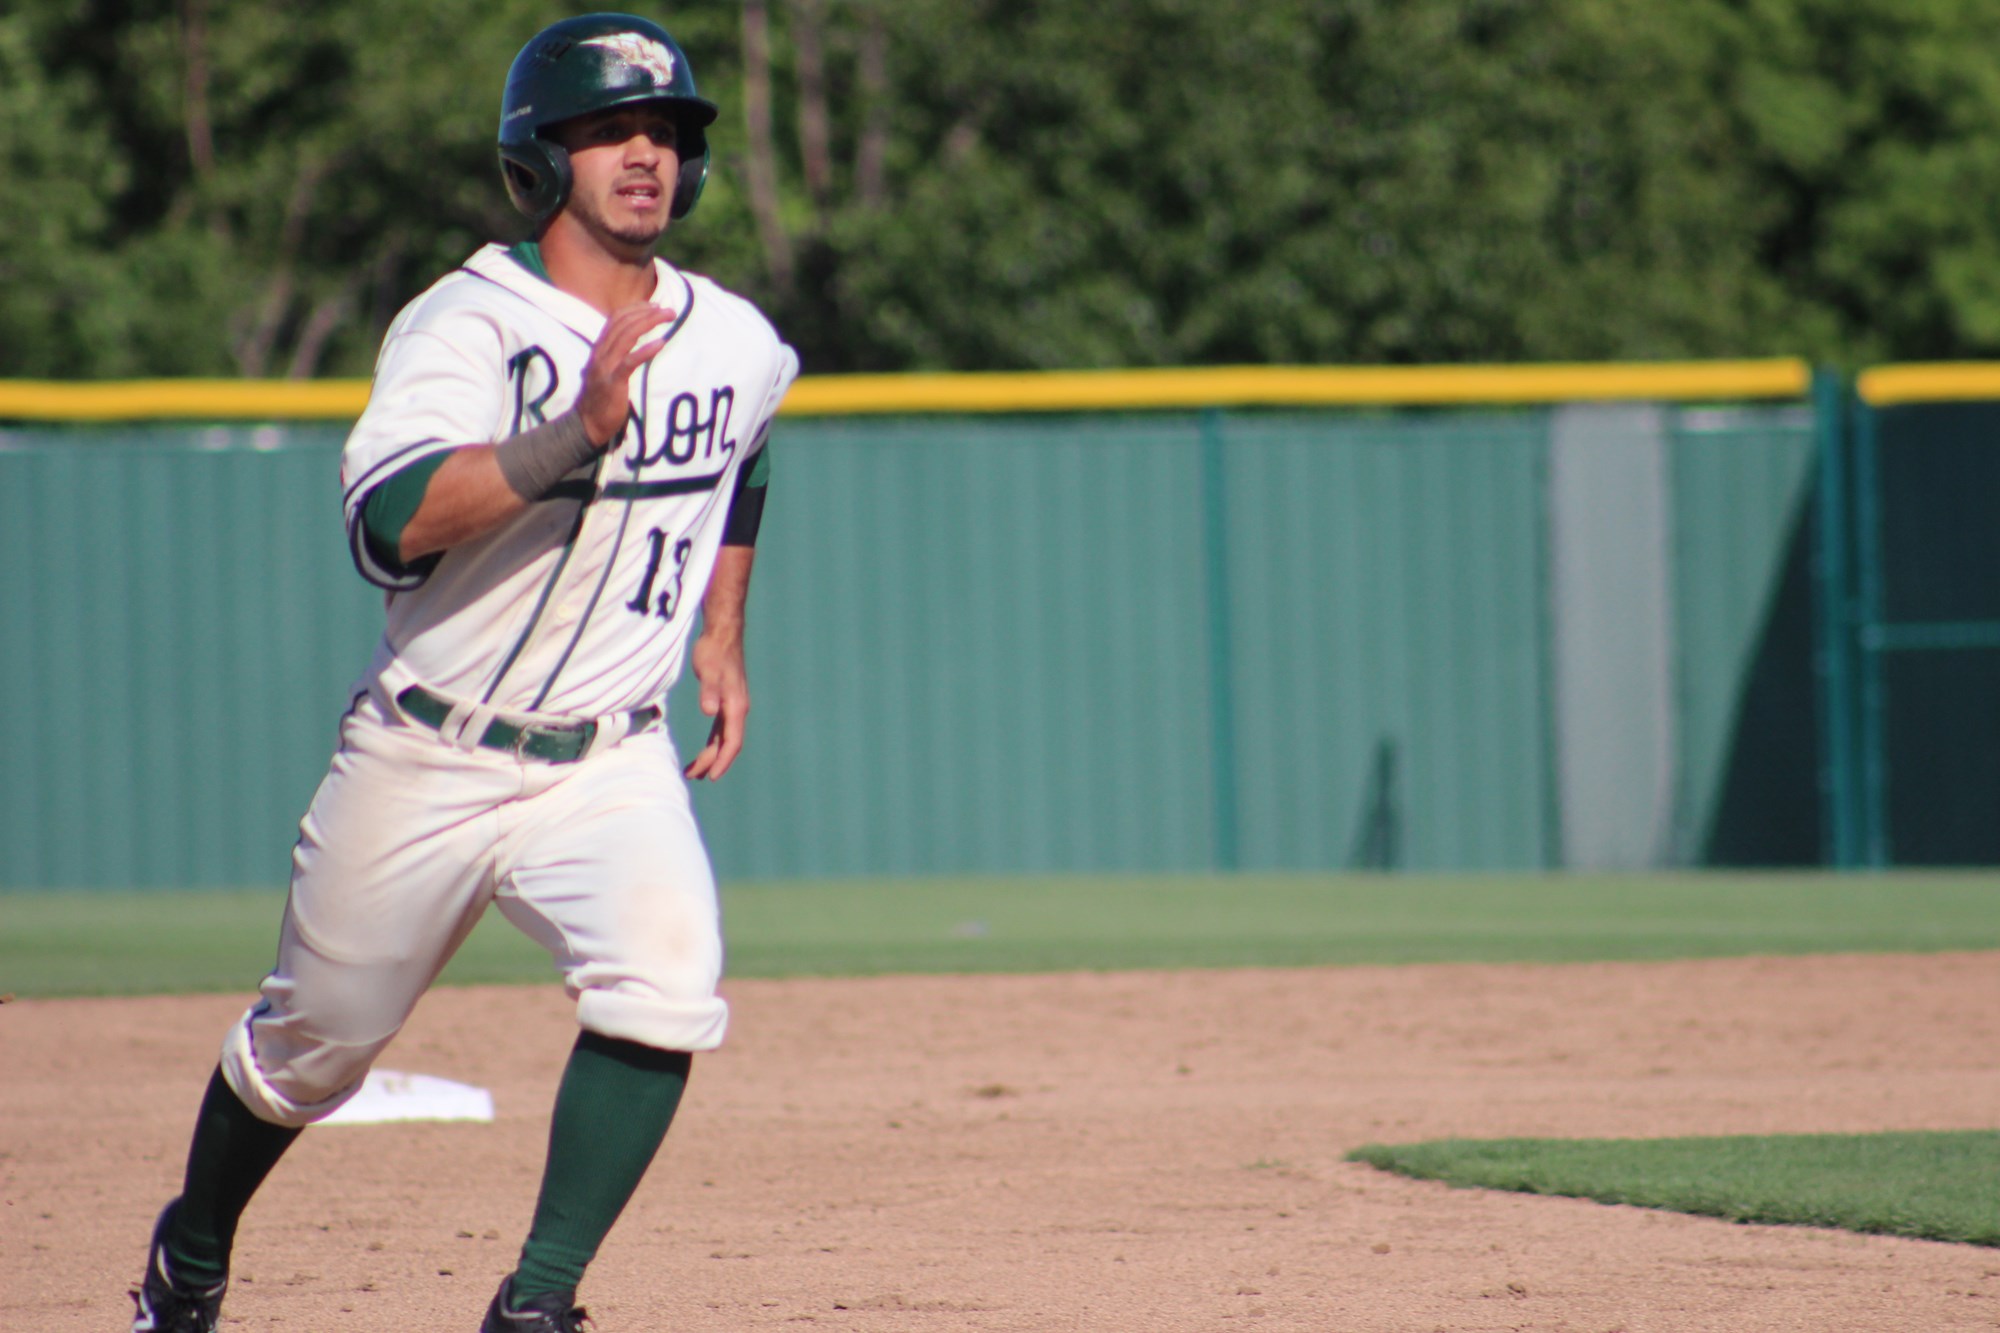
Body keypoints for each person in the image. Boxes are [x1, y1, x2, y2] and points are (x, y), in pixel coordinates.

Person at [128, 14, 797, 1333]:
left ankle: (535, 1303)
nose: (645, 156)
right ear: (540, 162)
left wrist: (723, 626)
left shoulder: (731, 336)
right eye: (608, 132)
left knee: (667, 982)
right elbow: (390, 524)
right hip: (428, 751)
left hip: (608, 756)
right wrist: (573, 437)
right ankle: (188, 1257)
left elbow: (752, 445)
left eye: (664, 133)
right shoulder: (464, 324)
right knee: (309, 1051)